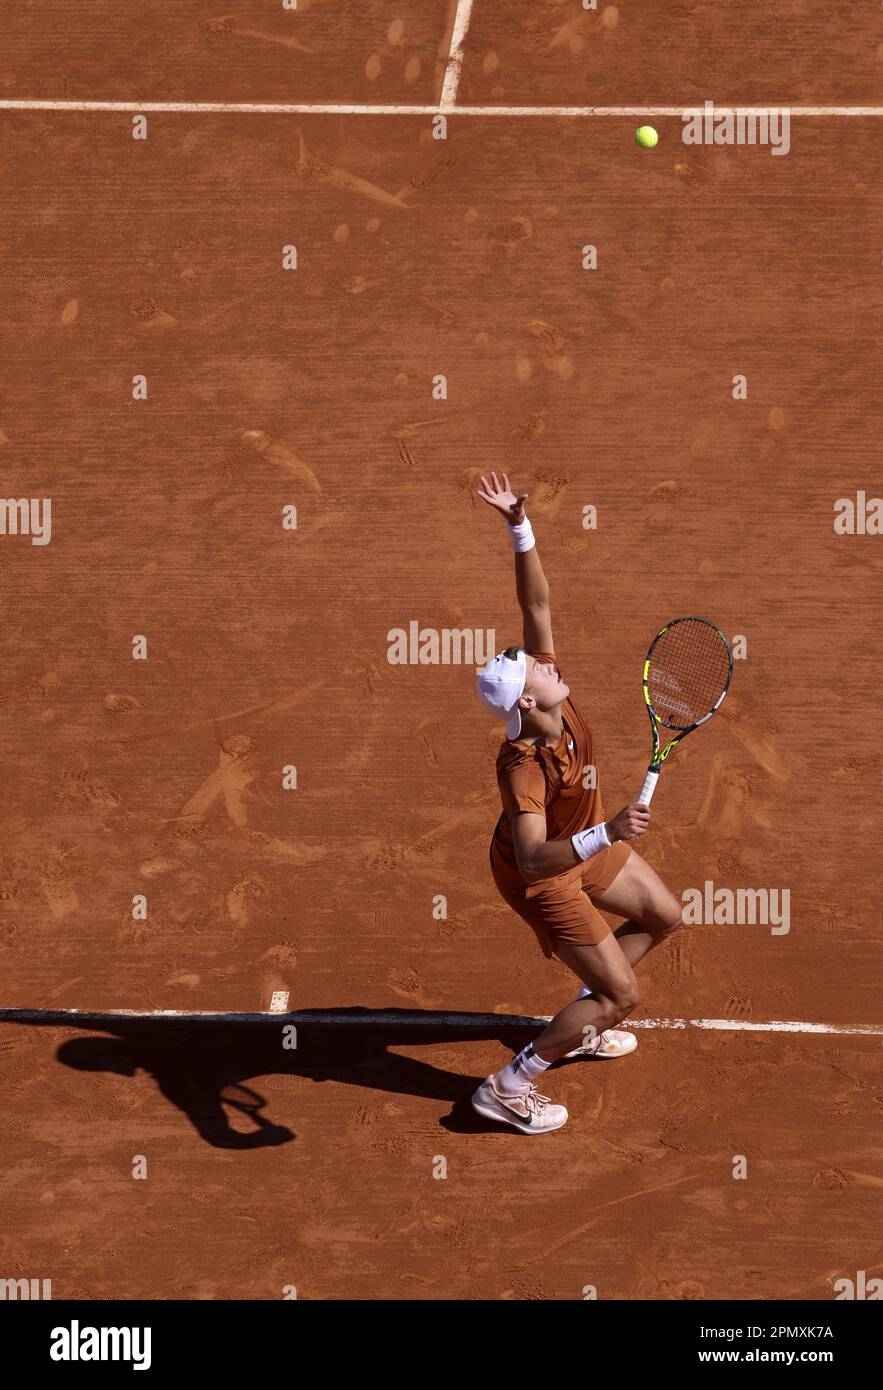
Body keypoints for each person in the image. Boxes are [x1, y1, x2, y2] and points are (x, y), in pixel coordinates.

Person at [471, 473, 684, 1134]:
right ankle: (509, 1084)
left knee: (663, 915)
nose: (547, 662)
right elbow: (534, 860)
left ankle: (583, 1022)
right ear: (527, 703)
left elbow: (536, 604)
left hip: (584, 840)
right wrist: (609, 831)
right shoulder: (524, 767)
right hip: (543, 877)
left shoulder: (543, 697)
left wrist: (518, 526)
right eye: (534, 669)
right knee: (622, 994)